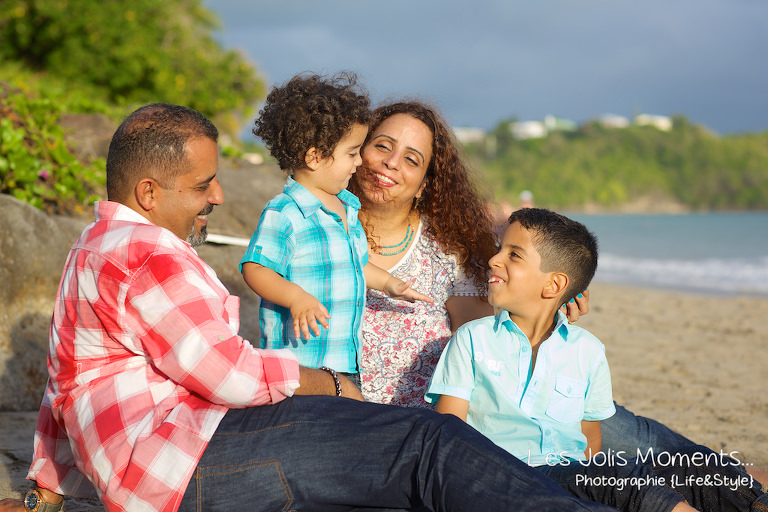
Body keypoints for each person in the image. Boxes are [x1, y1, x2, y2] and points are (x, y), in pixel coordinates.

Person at [0, 103, 613, 512]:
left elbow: (66, 379)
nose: (218, 194)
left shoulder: (92, 244)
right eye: (203, 185)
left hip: (161, 464)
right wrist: (332, 387)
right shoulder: (150, 256)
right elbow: (230, 375)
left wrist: (45, 492)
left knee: (422, 457)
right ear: (149, 192)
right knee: (426, 445)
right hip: (186, 460)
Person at [426, 207, 766, 512]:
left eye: (513, 254)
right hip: (512, 477)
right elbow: (451, 430)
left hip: (576, 475)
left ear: (554, 285)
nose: (494, 260)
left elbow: (591, 437)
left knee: (696, 463)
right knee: (627, 481)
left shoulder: (586, 350)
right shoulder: (473, 339)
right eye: (500, 249)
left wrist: (590, 479)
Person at [240, 73, 430, 383]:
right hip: (300, 364)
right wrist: (295, 297)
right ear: (315, 157)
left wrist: (389, 284)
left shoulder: (347, 207)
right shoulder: (285, 211)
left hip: (345, 361)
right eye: (352, 153)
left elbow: (355, 265)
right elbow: (256, 269)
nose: (359, 163)